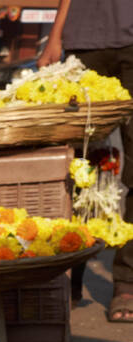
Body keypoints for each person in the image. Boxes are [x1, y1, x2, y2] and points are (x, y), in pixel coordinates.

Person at [40, 0, 133, 322]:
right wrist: (55, 37)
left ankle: (126, 282)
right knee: (78, 166)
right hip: (85, 41)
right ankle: (68, 279)